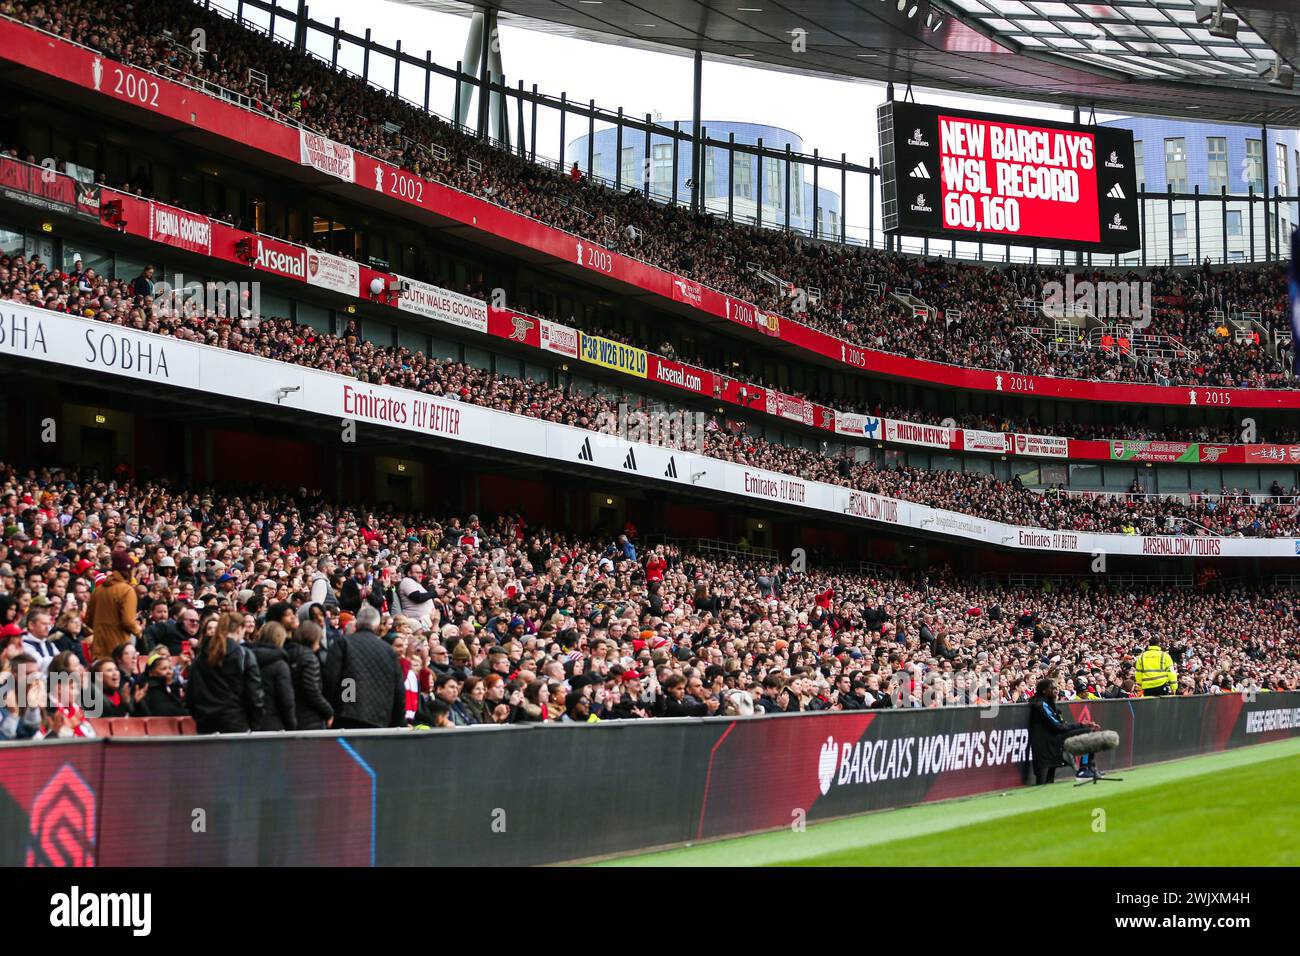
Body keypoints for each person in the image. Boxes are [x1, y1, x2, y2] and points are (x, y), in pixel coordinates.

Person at [321, 605, 405, 729]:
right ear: (377, 625)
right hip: (379, 717)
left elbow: (330, 678)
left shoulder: (343, 643)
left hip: (347, 716)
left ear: (357, 623)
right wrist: (399, 722)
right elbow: (398, 689)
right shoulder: (388, 651)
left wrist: (329, 711)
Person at [187, 611, 264, 734]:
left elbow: (190, 693)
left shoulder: (201, 656)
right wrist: (254, 725)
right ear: (239, 629)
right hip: (237, 723)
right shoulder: (244, 655)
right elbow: (254, 695)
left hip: (206, 724)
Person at [1028, 678, 1099, 784]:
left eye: (1056, 688)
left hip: (1054, 737)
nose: (1056, 691)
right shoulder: (1041, 705)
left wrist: (1081, 725)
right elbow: (1057, 726)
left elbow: (1061, 724)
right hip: (1050, 740)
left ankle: (1089, 768)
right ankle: (1083, 769)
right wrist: (1080, 724)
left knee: (1089, 730)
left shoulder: (1049, 703)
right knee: (1088, 732)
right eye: (1052, 688)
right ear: (1044, 691)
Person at [84, 551, 141, 659]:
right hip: (119, 651)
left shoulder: (98, 590)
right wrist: (138, 631)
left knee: (98, 676)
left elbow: (89, 620)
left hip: (98, 650)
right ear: (128, 571)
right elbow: (128, 622)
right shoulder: (127, 590)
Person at [250, 622, 297, 731]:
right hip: (274, 723)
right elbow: (286, 699)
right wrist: (292, 725)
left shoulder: (247, 656)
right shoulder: (280, 664)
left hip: (250, 722)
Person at [286, 621, 333, 730]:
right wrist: (328, 711)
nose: (318, 646)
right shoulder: (309, 658)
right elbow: (311, 689)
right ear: (312, 639)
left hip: (290, 714)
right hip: (309, 717)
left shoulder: (287, 653)